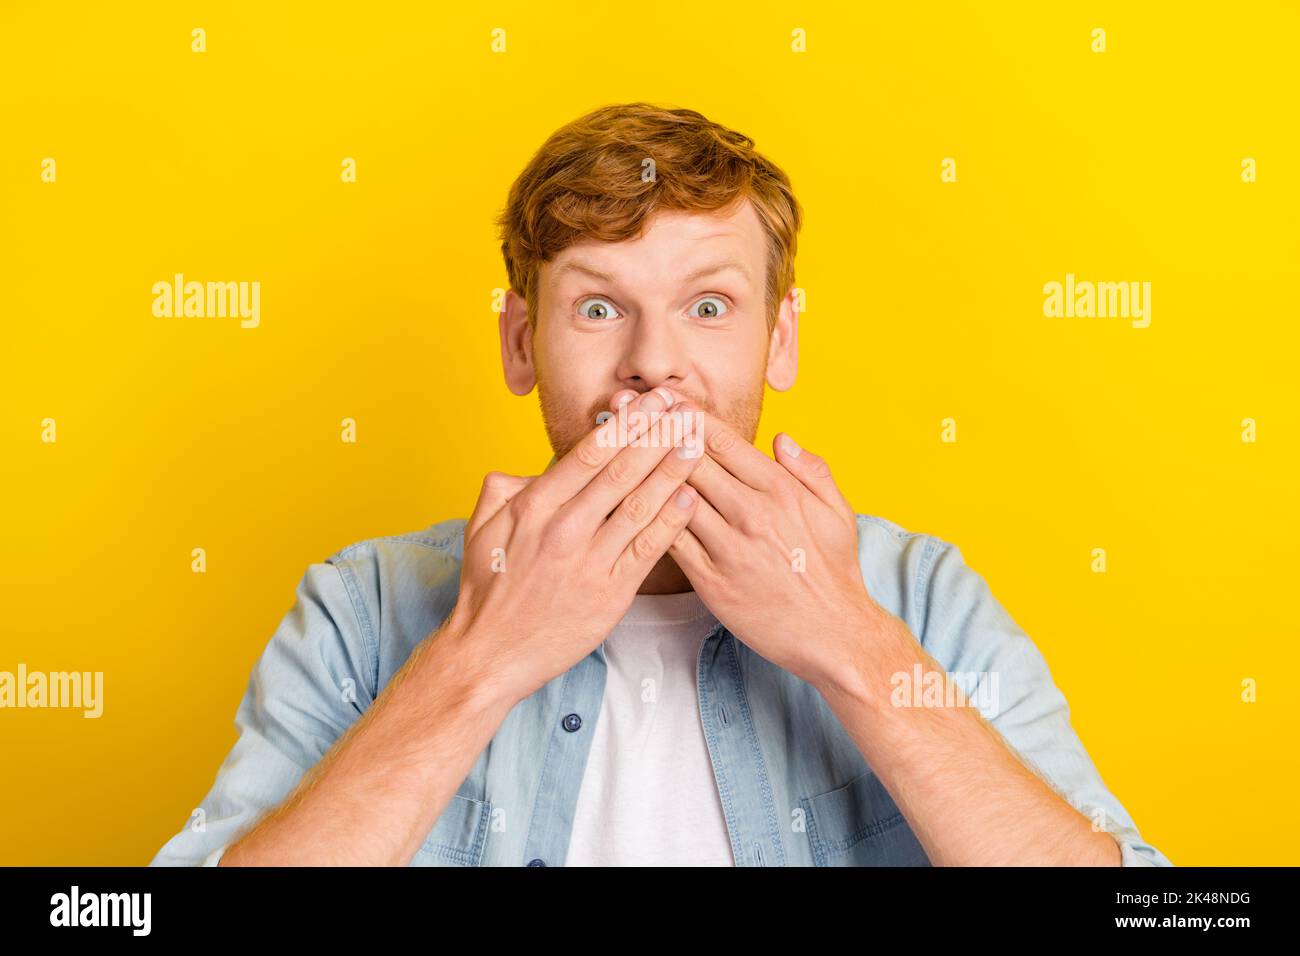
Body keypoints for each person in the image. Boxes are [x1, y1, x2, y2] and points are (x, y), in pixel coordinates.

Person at [150, 102, 1170, 867]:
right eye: (598, 309)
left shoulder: (923, 599)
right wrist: (481, 657)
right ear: (521, 343)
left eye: (708, 306)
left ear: (780, 339)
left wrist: (848, 641)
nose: (653, 363)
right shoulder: (362, 610)